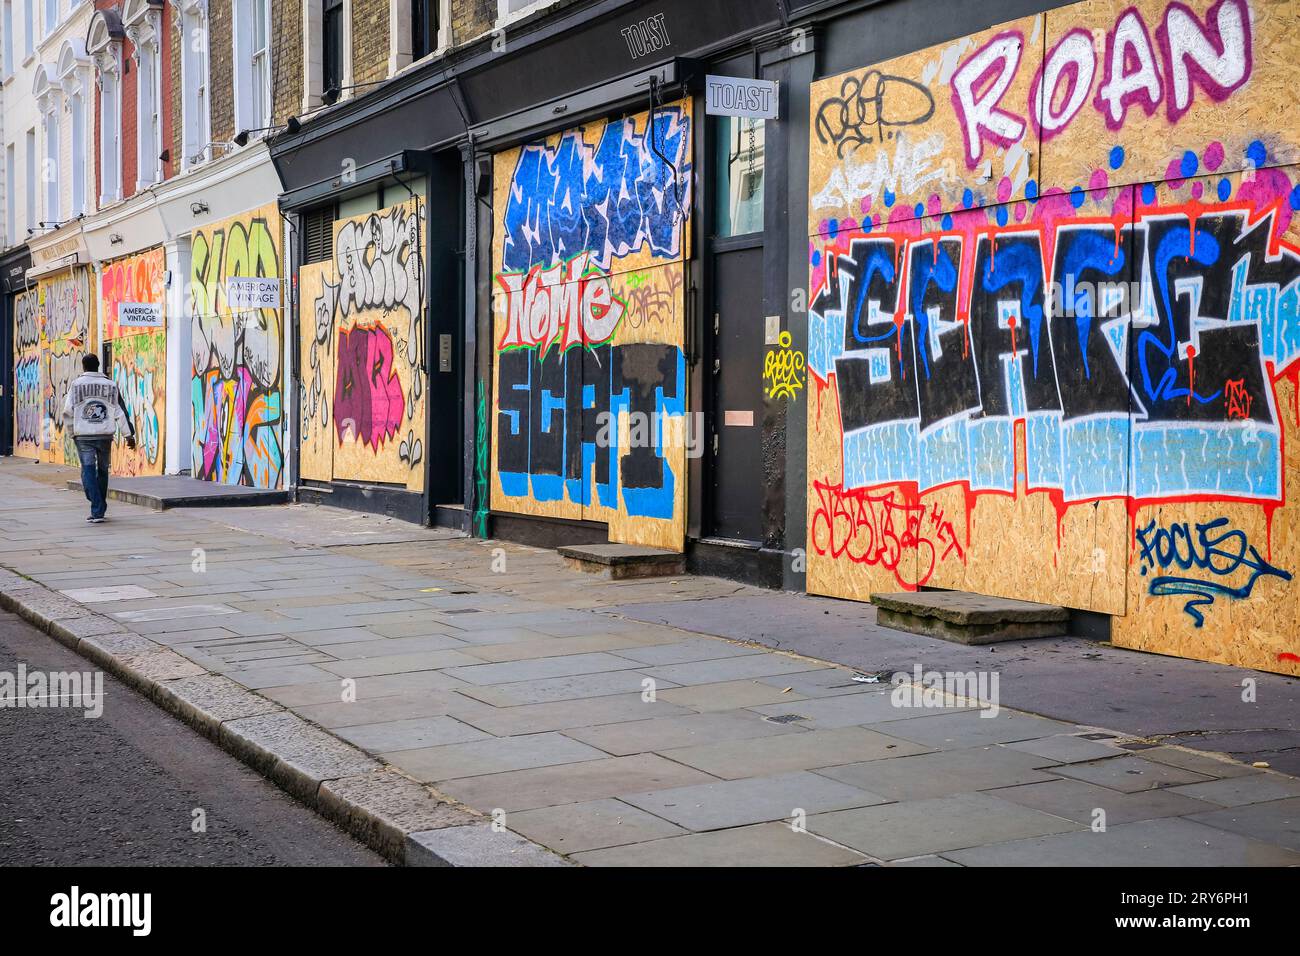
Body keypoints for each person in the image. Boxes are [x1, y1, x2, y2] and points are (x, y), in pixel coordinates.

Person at [61, 354, 136, 523]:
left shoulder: (76, 385)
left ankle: (97, 506)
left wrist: (72, 432)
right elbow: (119, 411)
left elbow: (67, 412)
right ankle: (99, 507)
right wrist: (128, 435)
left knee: (87, 470)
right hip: (104, 435)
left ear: (83, 366)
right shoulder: (110, 385)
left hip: (84, 436)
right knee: (102, 470)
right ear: (98, 365)